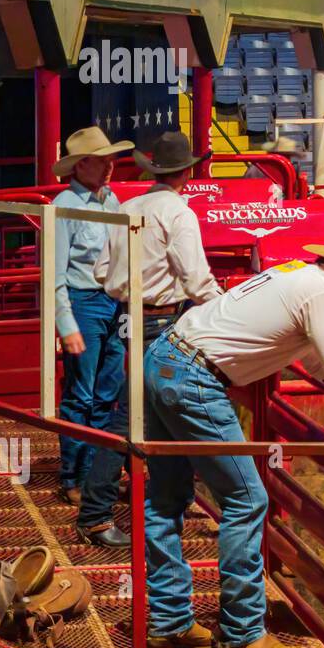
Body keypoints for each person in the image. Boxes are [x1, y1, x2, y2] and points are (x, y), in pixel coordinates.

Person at [143, 225, 324, 648]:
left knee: (166, 499)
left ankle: (169, 622)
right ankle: (244, 631)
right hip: (195, 378)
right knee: (247, 500)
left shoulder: (302, 277)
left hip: (166, 357)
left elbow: (318, 362)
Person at [86, 133, 220, 547]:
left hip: (129, 315)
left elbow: (101, 271)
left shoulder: (127, 208)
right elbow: (196, 279)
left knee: (145, 410)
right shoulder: (179, 213)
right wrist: (225, 306)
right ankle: (95, 512)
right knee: (137, 414)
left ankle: (164, 498)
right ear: (187, 172)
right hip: (162, 320)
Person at [52, 127, 135, 507]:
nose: (110, 166)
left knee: (105, 394)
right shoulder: (64, 206)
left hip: (111, 302)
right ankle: (75, 477)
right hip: (84, 302)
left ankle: (94, 478)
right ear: (81, 165)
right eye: (102, 161)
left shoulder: (110, 200)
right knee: (83, 395)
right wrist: (66, 324)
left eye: (110, 160)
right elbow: (55, 272)